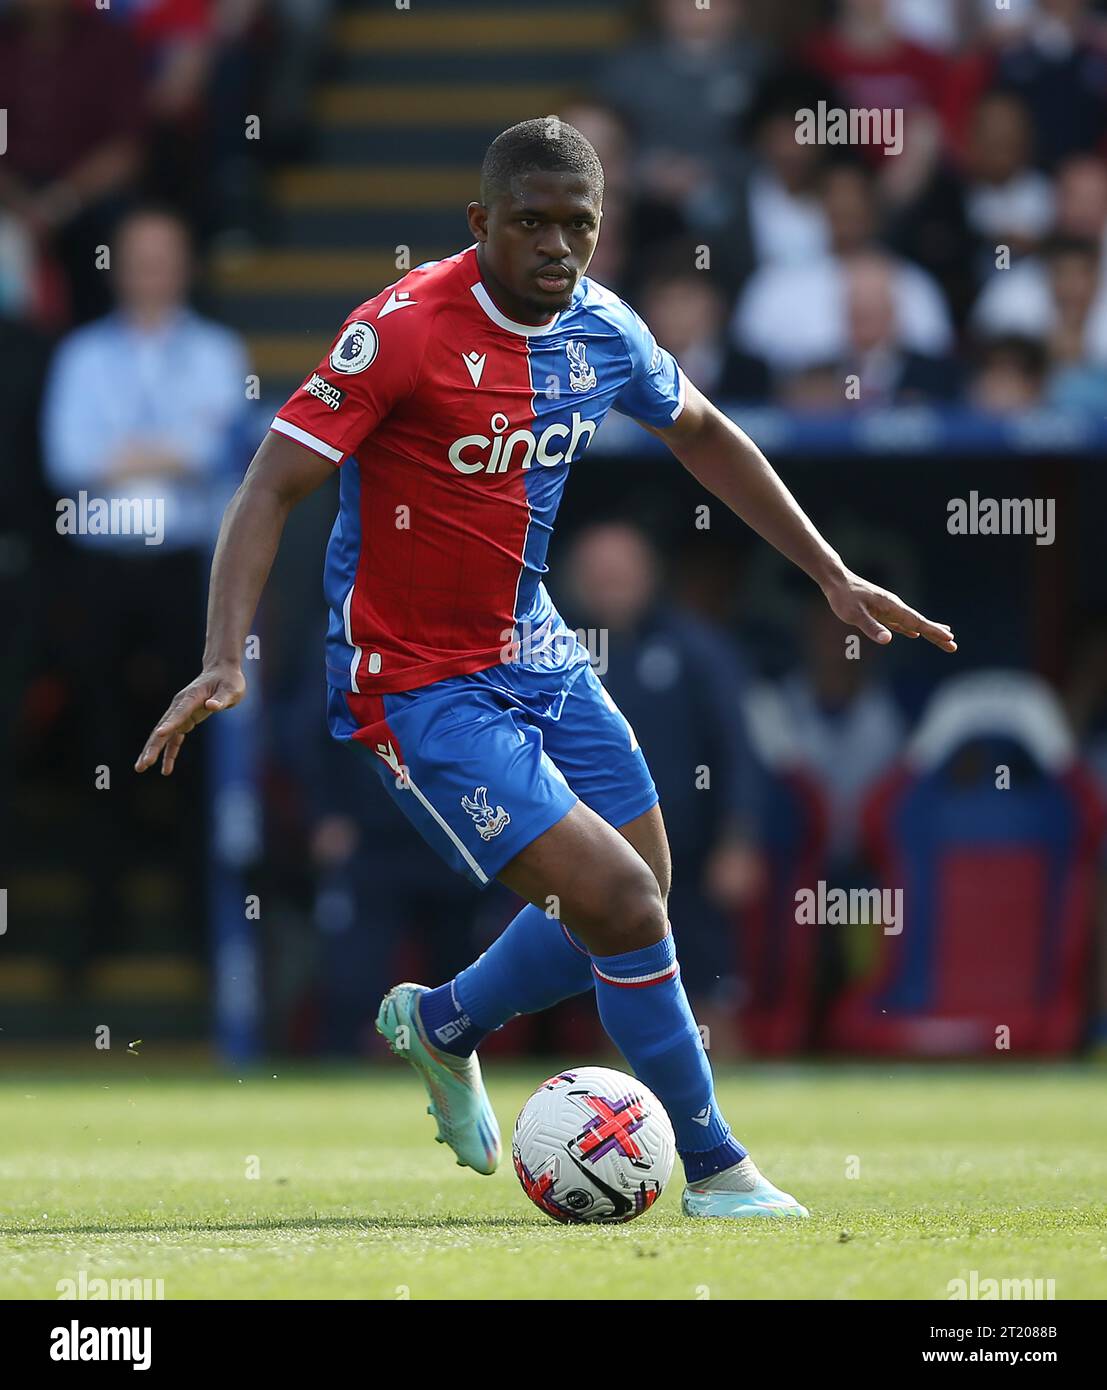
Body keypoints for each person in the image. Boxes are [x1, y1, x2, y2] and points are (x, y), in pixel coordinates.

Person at [135, 119, 957, 1221]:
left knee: (639, 889)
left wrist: (829, 572)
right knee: (618, 899)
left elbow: (706, 430)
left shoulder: (604, 328)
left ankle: (442, 1025)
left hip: (534, 644)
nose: (559, 246)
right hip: (414, 679)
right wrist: (223, 654)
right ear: (480, 225)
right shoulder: (401, 332)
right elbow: (270, 484)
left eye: (580, 223)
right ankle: (715, 1168)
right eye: (532, 222)